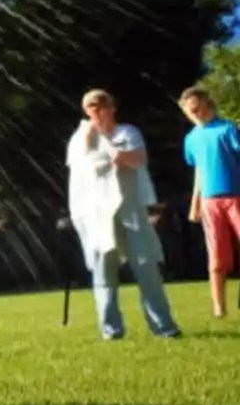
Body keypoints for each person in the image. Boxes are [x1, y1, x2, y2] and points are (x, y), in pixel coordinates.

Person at [66, 89, 181, 340]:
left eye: (101, 104)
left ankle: (164, 327)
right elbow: (83, 170)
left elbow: (137, 159)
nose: (96, 110)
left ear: (112, 107)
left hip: (130, 211)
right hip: (98, 215)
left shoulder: (128, 133)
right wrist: (97, 145)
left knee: (146, 267)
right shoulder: (79, 138)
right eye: (91, 106)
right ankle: (111, 330)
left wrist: (116, 155)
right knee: (104, 273)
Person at [179, 85, 240, 319]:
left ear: (206, 104)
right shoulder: (192, 138)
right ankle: (219, 307)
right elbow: (200, 172)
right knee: (216, 256)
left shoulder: (227, 129)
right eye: (188, 110)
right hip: (210, 202)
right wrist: (195, 203)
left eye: (196, 107)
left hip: (236, 196)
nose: (194, 113)